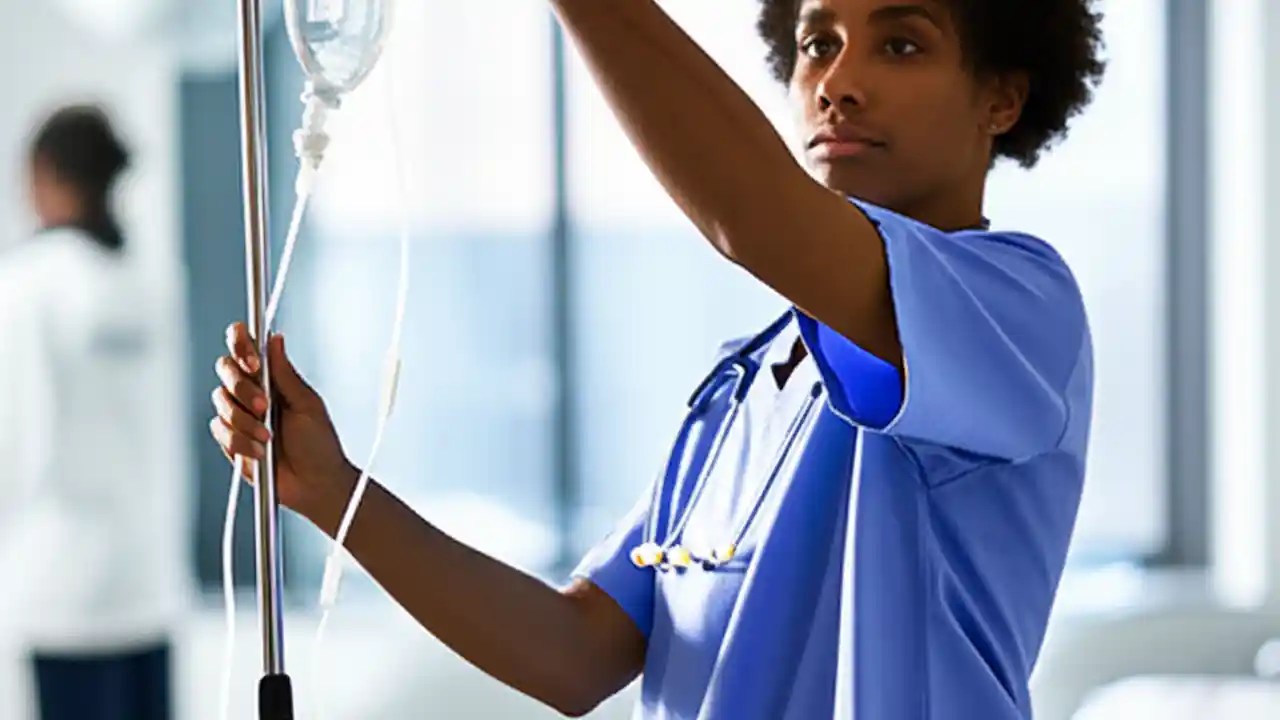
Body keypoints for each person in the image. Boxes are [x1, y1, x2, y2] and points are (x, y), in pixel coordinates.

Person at [211, 0, 1104, 717]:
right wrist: (335, 492)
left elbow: (752, 219)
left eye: (901, 45)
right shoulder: (746, 381)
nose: (837, 83)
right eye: (816, 43)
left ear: (1003, 98)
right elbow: (576, 654)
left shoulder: (1016, 310)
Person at [0, 105, 186, 720]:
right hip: (150, 582)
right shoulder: (151, 283)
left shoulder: (26, 287)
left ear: (43, 173)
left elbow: (14, 446)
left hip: (64, 594)